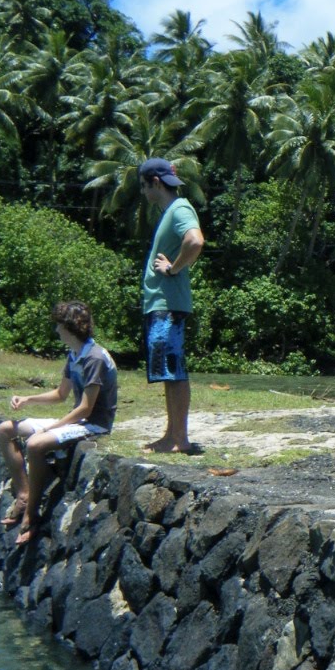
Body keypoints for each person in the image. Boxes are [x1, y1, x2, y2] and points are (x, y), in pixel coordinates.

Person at [0, 301, 118, 545]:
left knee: (34, 444)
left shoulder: (93, 358)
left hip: (93, 424)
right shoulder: (74, 354)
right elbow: (61, 394)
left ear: (69, 327)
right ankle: (23, 494)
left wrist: (51, 428)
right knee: (5, 430)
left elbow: (86, 408)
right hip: (78, 419)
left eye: (59, 326)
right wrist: (28, 399)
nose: (56, 331)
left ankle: (31, 513)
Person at [139, 157, 205, 454]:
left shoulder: (179, 209)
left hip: (168, 304)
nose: (143, 193)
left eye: (144, 186)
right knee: (169, 370)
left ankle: (179, 438)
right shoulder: (170, 212)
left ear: (155, 182)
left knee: (173, 369)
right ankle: (173, 435)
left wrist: (172, 269)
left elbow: (195, 241)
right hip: (163, 305)